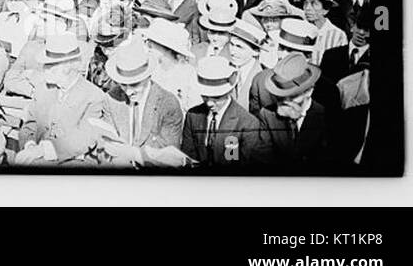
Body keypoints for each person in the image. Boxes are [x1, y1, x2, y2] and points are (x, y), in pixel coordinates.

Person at [15, 32, 107, 165]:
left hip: (71, 162)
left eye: (49, 66)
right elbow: (30, 123)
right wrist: (29, 145)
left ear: (68, 67)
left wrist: (42, 150)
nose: (44, 70)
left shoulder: (94, 97)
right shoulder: (43, 88)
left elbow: (83, 140)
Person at [100, 37, 186, 167]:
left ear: (148, 76)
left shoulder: (168, 104)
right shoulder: (111, 98)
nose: (128, 92)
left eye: (134, 85)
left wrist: (132, 154)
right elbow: (107, 143)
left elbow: (167, 155)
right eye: (123, 84)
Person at [181, 55, 267, 166]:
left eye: (216, 98)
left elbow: (238, 165)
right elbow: (188, 156)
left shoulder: (246, 124)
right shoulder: (193, 116)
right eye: (205, 96)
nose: (209, 103)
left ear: (229, 92)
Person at [255, 52, 332, 167]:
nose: (285, 101)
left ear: (309, 91)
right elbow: (263, 159)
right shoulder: (267, 115)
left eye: (292, 95)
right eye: (280, 95)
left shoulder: (327, 117)